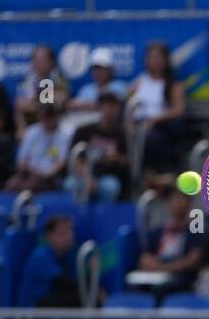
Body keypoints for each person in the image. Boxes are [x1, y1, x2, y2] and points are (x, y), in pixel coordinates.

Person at [126, 40, 186, 176]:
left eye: (157, 57)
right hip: (137, 124)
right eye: (150, 57)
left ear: (165, 60)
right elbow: (129, 105)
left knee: (149, 139)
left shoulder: (173, 85)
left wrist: (155, 120)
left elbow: (179, 110)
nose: (153, 61)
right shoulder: (139, 82)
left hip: (159, 128)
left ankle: (149, 174)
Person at [137, 191, 207, 298]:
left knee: (160, 289)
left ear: (189, 203)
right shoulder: (158, 231)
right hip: (156, 272)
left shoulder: (196, 230)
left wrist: (162, 268)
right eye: (174, 200)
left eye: (180, 200)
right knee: (136, 287)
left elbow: (193, 261)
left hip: (180, 276)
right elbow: (144, 258)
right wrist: (150, 264)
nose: (177, 204)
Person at [67, 92, 130, 203]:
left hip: (106, 176)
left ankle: (102, 217)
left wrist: (117, 158)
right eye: (107, 107)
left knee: (111, 187)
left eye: (114, 108)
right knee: (70, 184)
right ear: (100, 108)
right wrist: (88, 178)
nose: (110, 111)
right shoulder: (84, 131)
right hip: (83, 174)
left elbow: (128, 162)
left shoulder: (121, 134)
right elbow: (75, 159)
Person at [18, 215, 84, 308]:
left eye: (71, 231)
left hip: (50, 303)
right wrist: (92, 291)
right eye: (63, 233)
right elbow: (62, 283)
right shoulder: (40, 256)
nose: (69, 237)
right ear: (49, 236)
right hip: (33, 310)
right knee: (82, 297)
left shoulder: (67, 256)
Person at [6, 102, 69, 193]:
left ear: (55, 117)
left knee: (28, 186)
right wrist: (29, 170)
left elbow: (61, 162)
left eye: (49, 117)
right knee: (11, 184)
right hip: (29, 172)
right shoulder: (31, 132)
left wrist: (46, 174)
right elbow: (21, 160)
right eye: (43, 117)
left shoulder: (64, 134)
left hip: (49, 177)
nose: (45, 121)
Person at [14, 45, 69, 133]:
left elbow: (59, 102)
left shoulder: (59, 79)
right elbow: (21, 105)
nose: (38, 63)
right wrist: (21, 128)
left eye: (42, 60)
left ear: (52, 62)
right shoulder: (27, 80)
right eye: (35, 60)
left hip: (55, 125)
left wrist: (35, 103)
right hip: (32, 125)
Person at [70, 47, 128, 113]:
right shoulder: (86, 90)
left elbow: (112, 105)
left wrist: (84, 105)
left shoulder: (119, 86)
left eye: (101, 69)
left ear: (109, 70)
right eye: (95, 69)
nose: (98, 72)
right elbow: (73, 107)